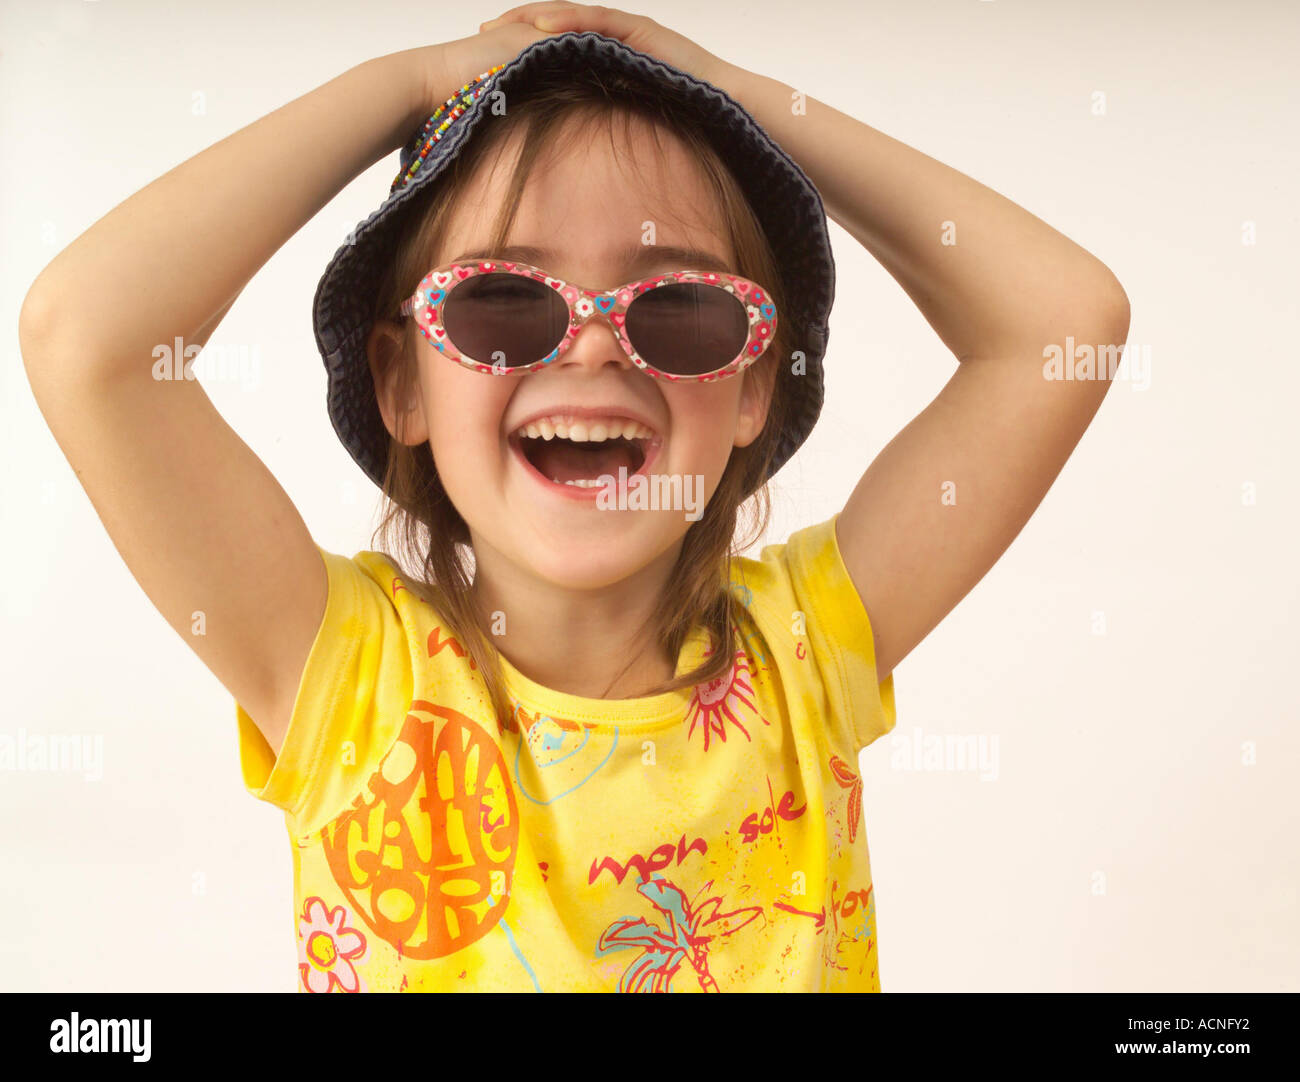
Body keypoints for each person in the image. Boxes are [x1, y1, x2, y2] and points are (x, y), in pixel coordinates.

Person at [18, 6, 1130, 992]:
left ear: (751, 384)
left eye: (679, 307)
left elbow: (1065, 327)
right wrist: (415, 84)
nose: (595, 344)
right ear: (399, 379)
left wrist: (736, 98)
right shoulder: (347, 681)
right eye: (503, 302)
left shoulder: (808, 653)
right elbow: (88, 338)